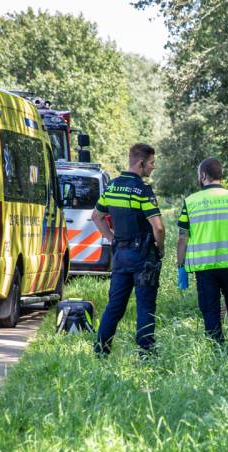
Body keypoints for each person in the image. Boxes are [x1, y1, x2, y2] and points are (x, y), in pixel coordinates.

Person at [176, 157, 228, 343]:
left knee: (210, 311)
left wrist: (181, 267)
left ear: (203, 175)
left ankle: (216, 349)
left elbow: (182, 238)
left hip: (205, 270)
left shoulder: (190, 202)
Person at [93, 143, 163, 356]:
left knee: (114, 306)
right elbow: (158, 227)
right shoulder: (142, 190)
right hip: (143, 256)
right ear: (140, 163)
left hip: (120, 255)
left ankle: (101, 351)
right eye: (151, 163)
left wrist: (111, 238)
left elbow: (97, 216)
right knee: (145, 307)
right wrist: (160, 248)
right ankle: (146, 355)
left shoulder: (112, 187)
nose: (153, 167)